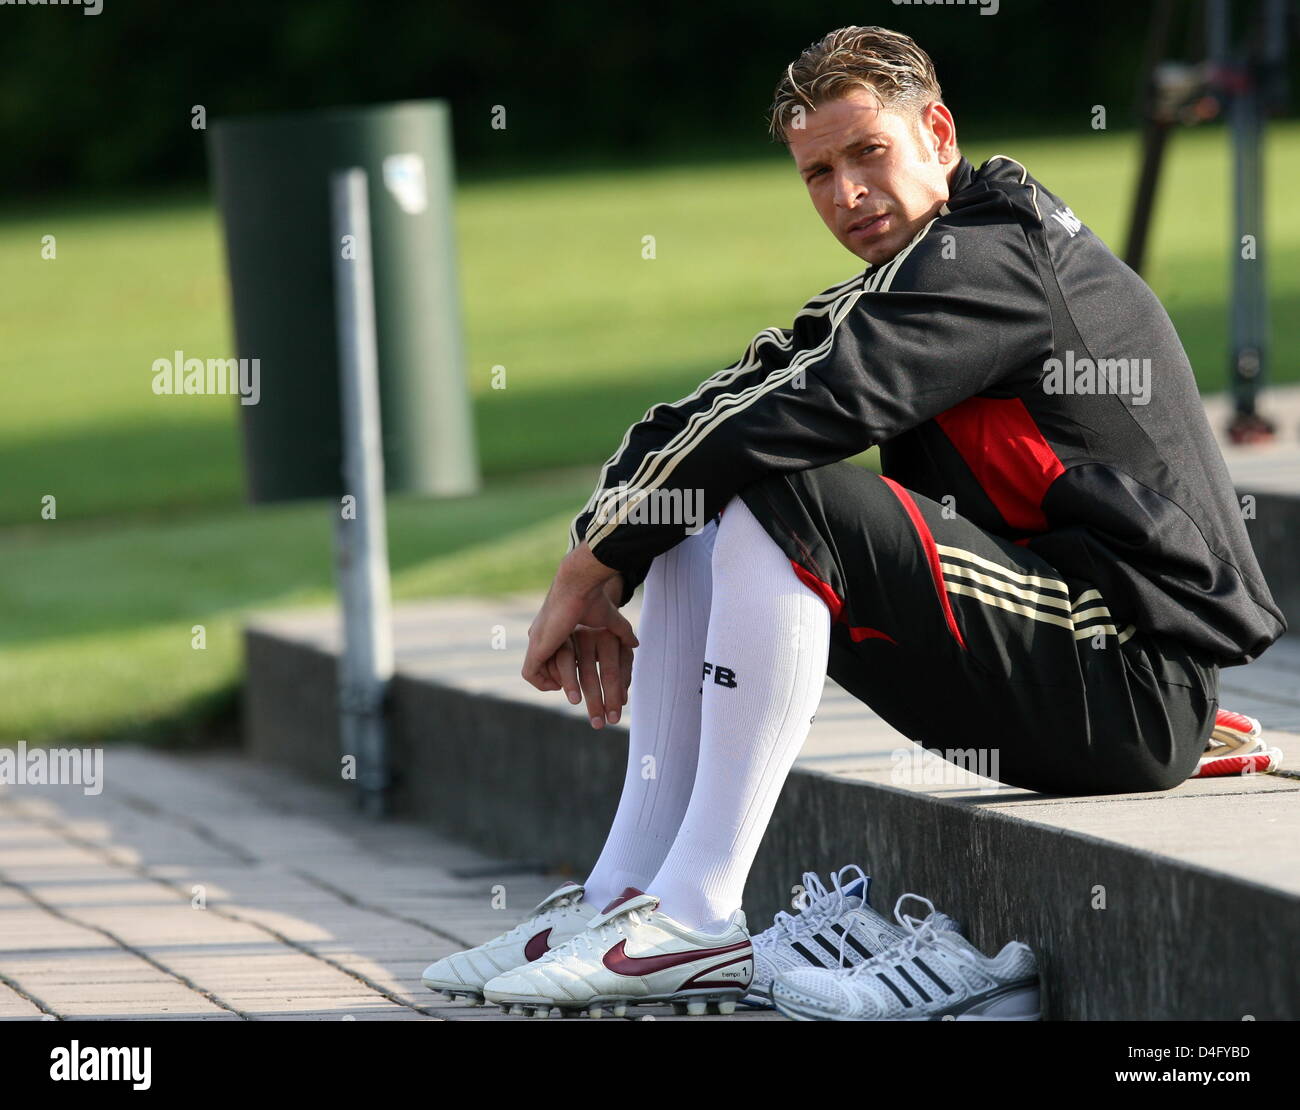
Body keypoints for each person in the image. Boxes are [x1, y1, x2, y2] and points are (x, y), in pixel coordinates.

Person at [422, 24, 1285, 1018]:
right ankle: (628, 895)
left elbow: (807, 409)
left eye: (867, 154)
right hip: (1062, 667)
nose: (846, 194)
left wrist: (595, 567)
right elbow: (740, 391)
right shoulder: (923, 268)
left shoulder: (993, 258)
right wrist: (600, 546)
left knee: (776, 485)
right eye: (818, 172)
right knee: (711, 489)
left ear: (937, 132)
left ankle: (699, 915)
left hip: (1127, 681)